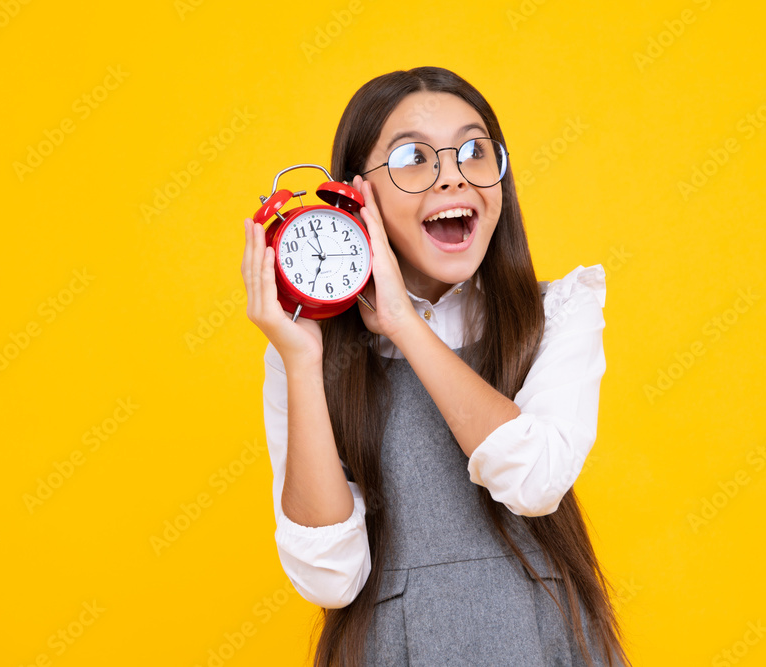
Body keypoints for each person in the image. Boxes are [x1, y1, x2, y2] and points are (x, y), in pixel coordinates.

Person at [241, 66, 629, 666]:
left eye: (474, 152)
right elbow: (330, 579)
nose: (453, 177)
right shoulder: (307, 353)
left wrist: (404, 324)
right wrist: (301, 360)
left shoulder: (557, 313)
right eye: (413, 159)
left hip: (543, 642)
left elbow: (535, 480)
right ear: (357, 196)